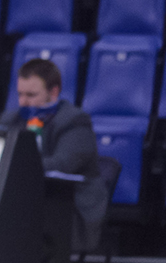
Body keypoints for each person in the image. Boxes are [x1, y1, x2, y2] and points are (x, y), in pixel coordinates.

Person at [15, 59, 107, 250]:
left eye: (31, 95)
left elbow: (62, 164)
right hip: (29, 199)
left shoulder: (75, 121)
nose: (23, 102)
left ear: (54, 92)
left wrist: (18, 166)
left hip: (69, 205)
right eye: (20, 94)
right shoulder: (14, 119)